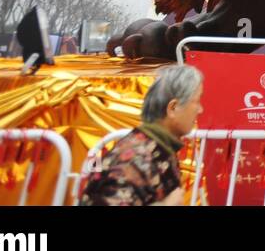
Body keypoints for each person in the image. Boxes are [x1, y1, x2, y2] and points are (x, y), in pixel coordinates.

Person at [80, 63, 203, 206]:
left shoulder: (157, 148)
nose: (200, 110)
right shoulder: (135, 160)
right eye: (196, 101)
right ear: (173, 108)